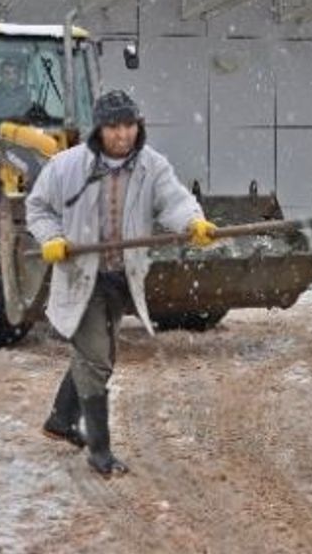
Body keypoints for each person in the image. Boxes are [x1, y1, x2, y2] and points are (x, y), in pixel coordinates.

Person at [27, 90, 218, 478]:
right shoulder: (66, 167)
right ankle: (100, 450)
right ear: (99, 128)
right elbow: (38, 207)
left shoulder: (152, 166)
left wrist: (192, 222)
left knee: (99, 357)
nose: (123, 134)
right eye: (114, 126)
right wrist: (50, 238)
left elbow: (174, 200)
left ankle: (61, 419)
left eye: (129, 125)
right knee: (96, 359)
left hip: (121, 278)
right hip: (82, 274)